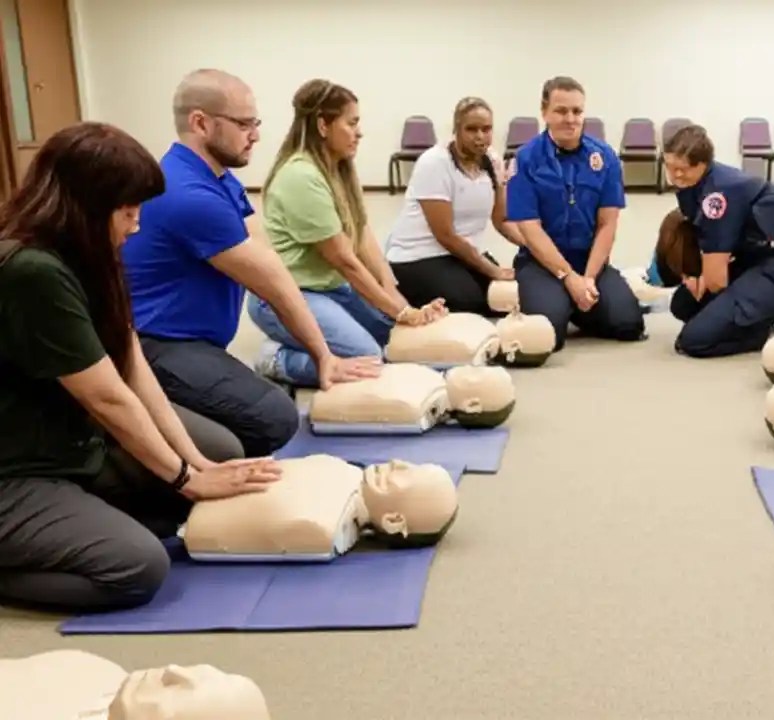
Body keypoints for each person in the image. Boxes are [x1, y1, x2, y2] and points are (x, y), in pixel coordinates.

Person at [0, 122, 282, 612]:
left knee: (216, 452)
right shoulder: (31, 270)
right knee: (138, 567)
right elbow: (105, 398)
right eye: (128, 211)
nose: (136, 225)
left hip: (64, 439)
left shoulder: (92, 252)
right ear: (84, 207)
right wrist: (183, 478)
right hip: (15, 468)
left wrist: (196, 465)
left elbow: (130, 363)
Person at [122, 69, 378, 459]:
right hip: (155, 346)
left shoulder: (216, 178)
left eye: (254, 123)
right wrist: (323, 357)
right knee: (274, 418)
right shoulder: (188, 193)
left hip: (193, 341)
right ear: (201, 123)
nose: (256, 135)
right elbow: (270, 281)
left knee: (258, 410)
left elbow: (266, 257)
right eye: (244, 124)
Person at [248, 79, 446, 387]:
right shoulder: (301, 176)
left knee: (393, 337)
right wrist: (404, 312)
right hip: (287, 295)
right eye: (351, 123)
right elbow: (345, 261)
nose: (359, 131)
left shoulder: (338, 167)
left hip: (328, 288)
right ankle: (275, 358)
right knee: (368, 358)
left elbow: (363, 238)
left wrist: (401, 306)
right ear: (323, 125)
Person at [505, 76, 646, 351]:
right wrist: (569, 278)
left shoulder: (605, 157)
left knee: (629, 325)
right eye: (561, 111)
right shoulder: (525, 159)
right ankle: (564, 302)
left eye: (577, 111)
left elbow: (608, 224)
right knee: (548, 336)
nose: (570, 119)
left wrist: (589, 278)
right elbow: (530, 229)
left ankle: (576, 301)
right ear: (544, 112)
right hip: (542, 263)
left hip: (589, 260)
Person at [660, 124, 774, 357]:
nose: (674, 176)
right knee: (683, 304)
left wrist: (707, 281)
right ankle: (771, 309)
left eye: (682, 169)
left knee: (693, 341)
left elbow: (716, 281)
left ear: (703, 164)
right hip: (757, 255)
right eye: (669, 167)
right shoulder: (700, 183)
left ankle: (759, 330)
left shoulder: (717, 195)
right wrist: (695, 277)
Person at [386, 97, 524, 316]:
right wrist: (492, 270)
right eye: (471, 129)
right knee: (470, 303)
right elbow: (446, 235)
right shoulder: (434, 163)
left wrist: (534, 246)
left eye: (486, 129)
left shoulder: (493, 161)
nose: (480, 136)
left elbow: (502, 220)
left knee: (504, 298)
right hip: (419, 256)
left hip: (463, 255)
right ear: (457, 129)